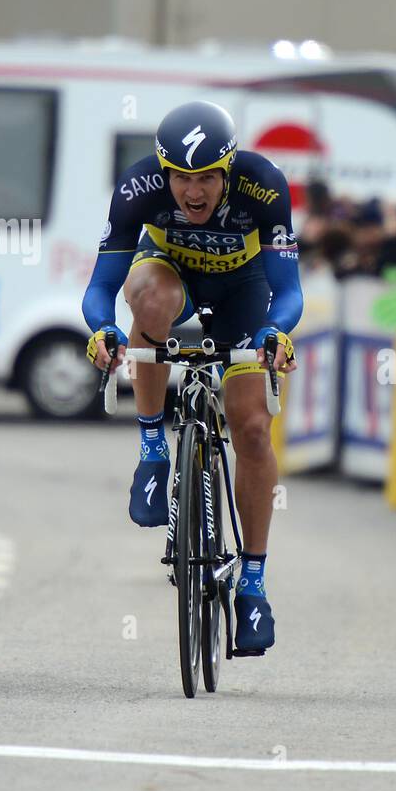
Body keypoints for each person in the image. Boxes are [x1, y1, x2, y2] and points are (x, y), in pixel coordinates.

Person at [82, 100, 301, 654]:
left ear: (227, 170)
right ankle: (153, 447)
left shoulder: (264, 185)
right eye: (182, 177)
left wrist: (274, 332)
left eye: (206, 176)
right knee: (150, 299)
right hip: (170, 275)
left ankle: (252, 582)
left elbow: (289, 288)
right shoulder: (139, 188)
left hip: (242, 290)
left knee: (251, 430)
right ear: (165, 172)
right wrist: (104, 328)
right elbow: (100, 285)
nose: (193, 191)